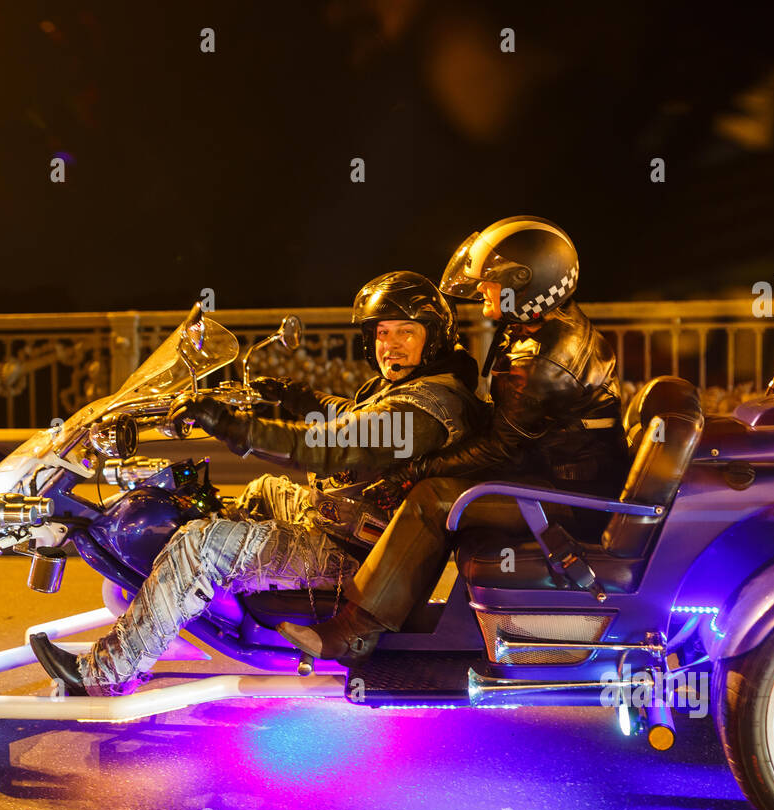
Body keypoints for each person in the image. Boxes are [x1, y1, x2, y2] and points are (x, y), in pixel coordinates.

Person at [31, 271, 487, 695]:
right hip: (350, 521)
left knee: (199, 543)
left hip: (359, 557)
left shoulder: (429, 408)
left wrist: (238, 428)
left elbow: (337, 445)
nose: (391, 345)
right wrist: (294, 396)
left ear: (433, 337)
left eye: (405, 332)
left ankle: (106, 673)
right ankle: (199, 600)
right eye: (382, 333)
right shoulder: (421, 387)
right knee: (263, 490)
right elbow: (354, 418)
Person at [279, 216, 631, 660]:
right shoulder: (544, 326)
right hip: (555, 474)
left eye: (490, 282)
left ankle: (355, 630)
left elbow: (501, 448)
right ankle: (387, 607)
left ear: (524, 283)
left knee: (435, 500)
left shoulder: (542, 361)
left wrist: (416, 469)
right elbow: (505, 423)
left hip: (571, 495)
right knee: (438, 487)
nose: (482, 289)